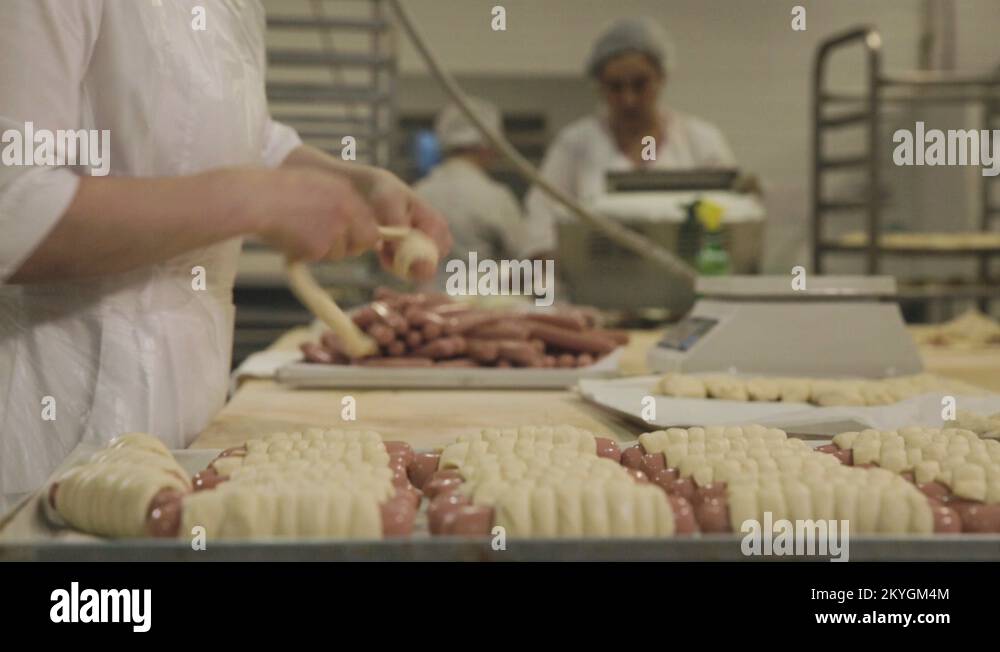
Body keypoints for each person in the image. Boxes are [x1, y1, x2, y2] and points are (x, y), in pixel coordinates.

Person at [0, 1, 451, 513]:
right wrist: (254, 199)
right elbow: (13, 208)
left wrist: (354, 183)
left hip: (190, 413)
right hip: (46, 422)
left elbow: (246, 137)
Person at [523, 17, 737, 257]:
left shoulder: (700, 141)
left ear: (661, 78)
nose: (629, 99)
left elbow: (733, 214)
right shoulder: (574, 145)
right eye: (615, 86)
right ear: (600, 87)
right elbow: (542, 215)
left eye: (640, 84)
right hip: (594, 283)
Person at [415, 97, 527, 271]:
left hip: (422, 295)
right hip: (482, 297)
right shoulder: (495, 197)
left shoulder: (418, 193)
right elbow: (523, 256)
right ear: (487, 146)